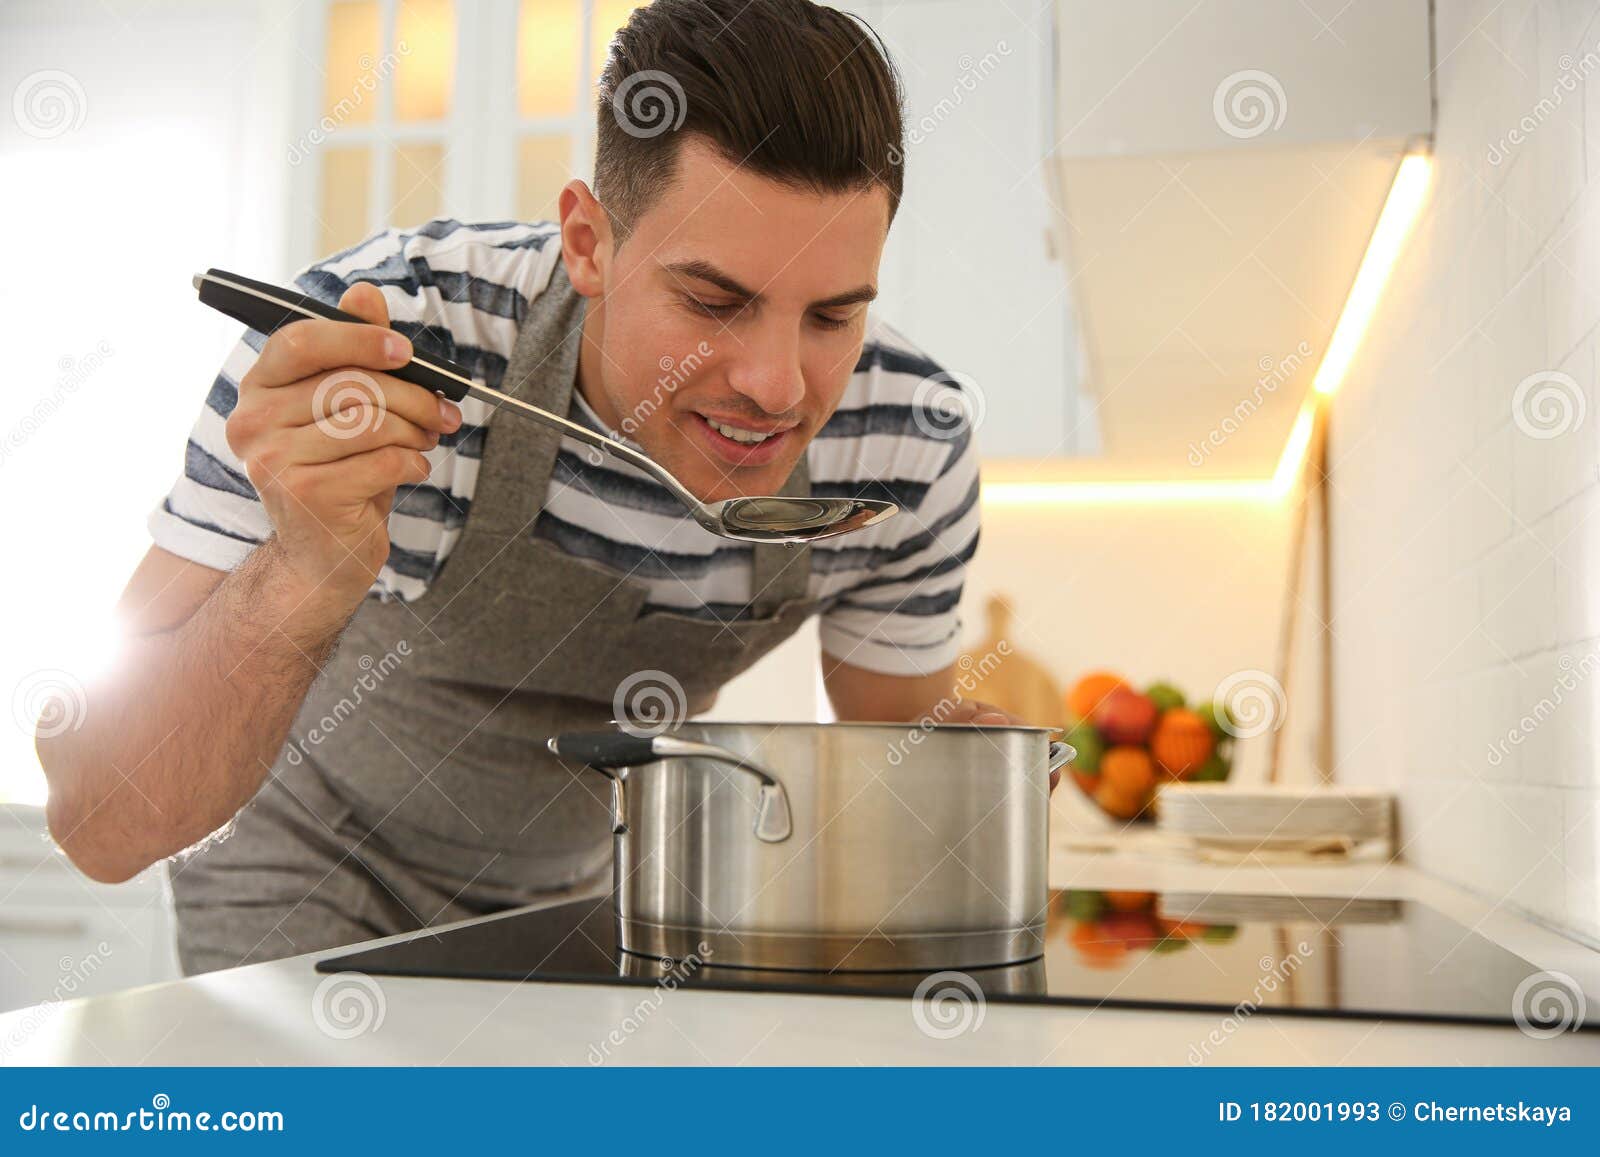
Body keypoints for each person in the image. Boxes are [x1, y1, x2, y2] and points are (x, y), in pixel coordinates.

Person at [36, 0, 1025, 976]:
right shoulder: (365, 350)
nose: (776, 385)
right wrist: (302, 567)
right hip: (294, 869)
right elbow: (101, 825)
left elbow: (893, 783)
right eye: (713, 301)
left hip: (587, 896)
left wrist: (966, 780)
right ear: (587, 242)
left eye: (831, 317)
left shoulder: (904, 439)